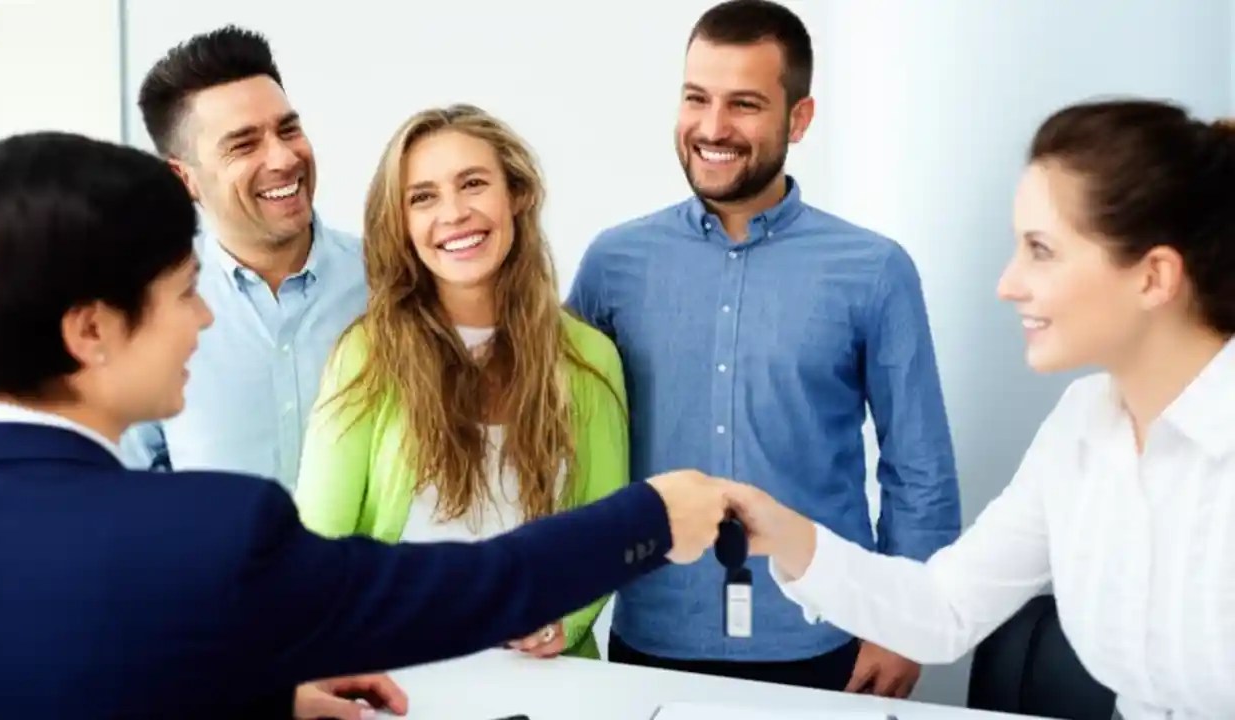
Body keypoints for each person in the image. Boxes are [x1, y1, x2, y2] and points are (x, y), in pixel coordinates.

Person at [0, 130, 737, 719]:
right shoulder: (204, 532)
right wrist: (654, 516)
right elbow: (466, 588)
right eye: (185, 290)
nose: (200, 318)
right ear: (90, 330)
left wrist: (273, 700)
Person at [726, 99, 1235, 720]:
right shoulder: (1082, 426)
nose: (1008, 283)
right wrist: (784, 533)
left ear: (1153, 277)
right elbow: (947, 609)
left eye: (1041, 250)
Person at [566, 0, 958, 696]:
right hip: (650, 639)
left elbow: (918, 468)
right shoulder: (613, 263)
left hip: (822, 641)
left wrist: (905, 622)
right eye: (696, 98)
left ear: (798, 119)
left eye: (744, 104)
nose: (712, 128)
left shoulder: (874, 270)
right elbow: (558, 440)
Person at [294, 104, 629, 661]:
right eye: (422, 196)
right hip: (400, 677)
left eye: (472, 184)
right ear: (400, 224)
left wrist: (561, 624)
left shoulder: (589, 358)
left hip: (549, 685)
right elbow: (316, 545)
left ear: (516, 194)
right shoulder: (366, 355)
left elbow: (609, 533)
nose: (453, 213)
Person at [121, 25, 365, 492]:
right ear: (184, 179)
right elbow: (126, 491)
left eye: (288, 129)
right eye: (244, 144)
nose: (283, 158)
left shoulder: (391, 283)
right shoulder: (144, 316)